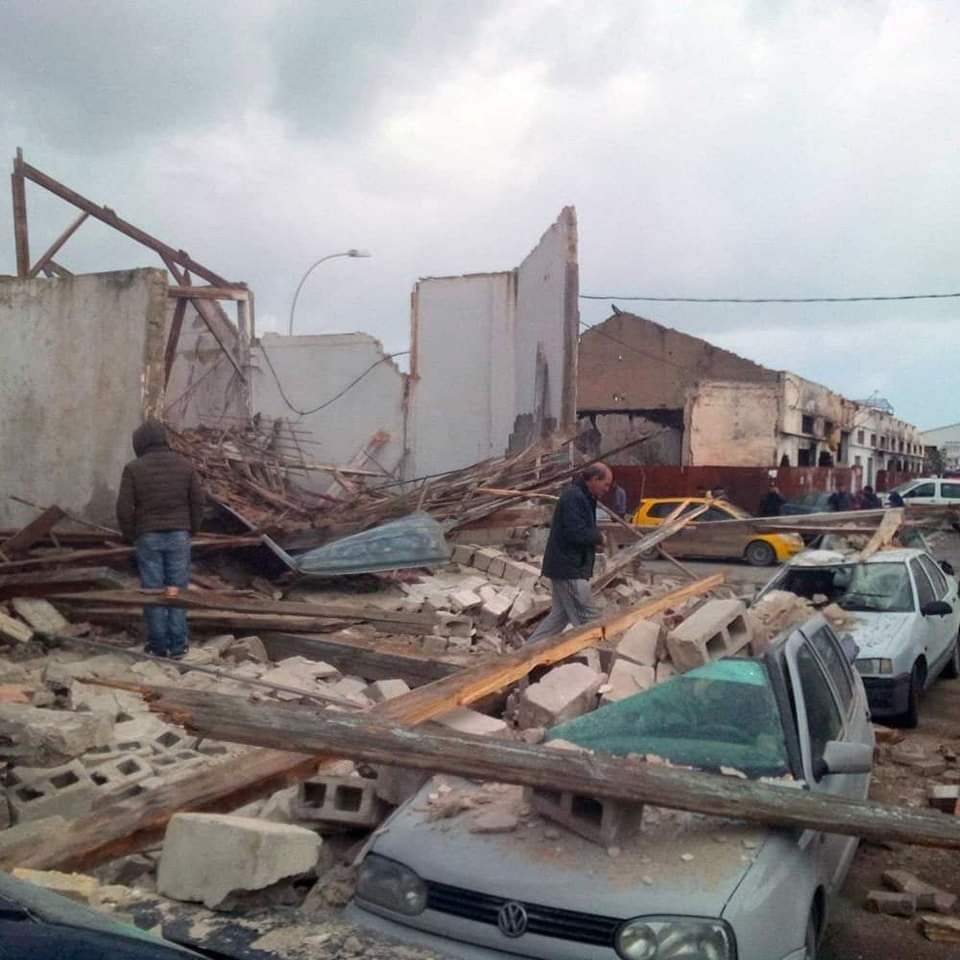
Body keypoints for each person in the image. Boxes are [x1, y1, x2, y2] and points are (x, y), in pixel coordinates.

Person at [116, 419, 205, 659]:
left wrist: (131, 535)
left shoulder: (133, 469)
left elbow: (124, 509)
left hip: (148, 536)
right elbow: (198, 503)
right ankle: (178, 646)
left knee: (153, 591)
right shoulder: (185, 466)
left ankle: (157, 645)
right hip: (179, 535)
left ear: (140, 443)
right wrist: (191, 530)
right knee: (175, 590)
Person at [526, 462, 613, 643]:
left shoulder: (583, 497)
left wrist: (592, 541)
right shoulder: (574, 497)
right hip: (569, 568)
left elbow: (578, 531)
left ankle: (527, 653)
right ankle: (598, 656)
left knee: (559, 616)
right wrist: (599, 538)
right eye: (606, 484)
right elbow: (575, 533)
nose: (607, 489)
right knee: (588, 622)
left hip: (567, 565)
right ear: (594, 479)